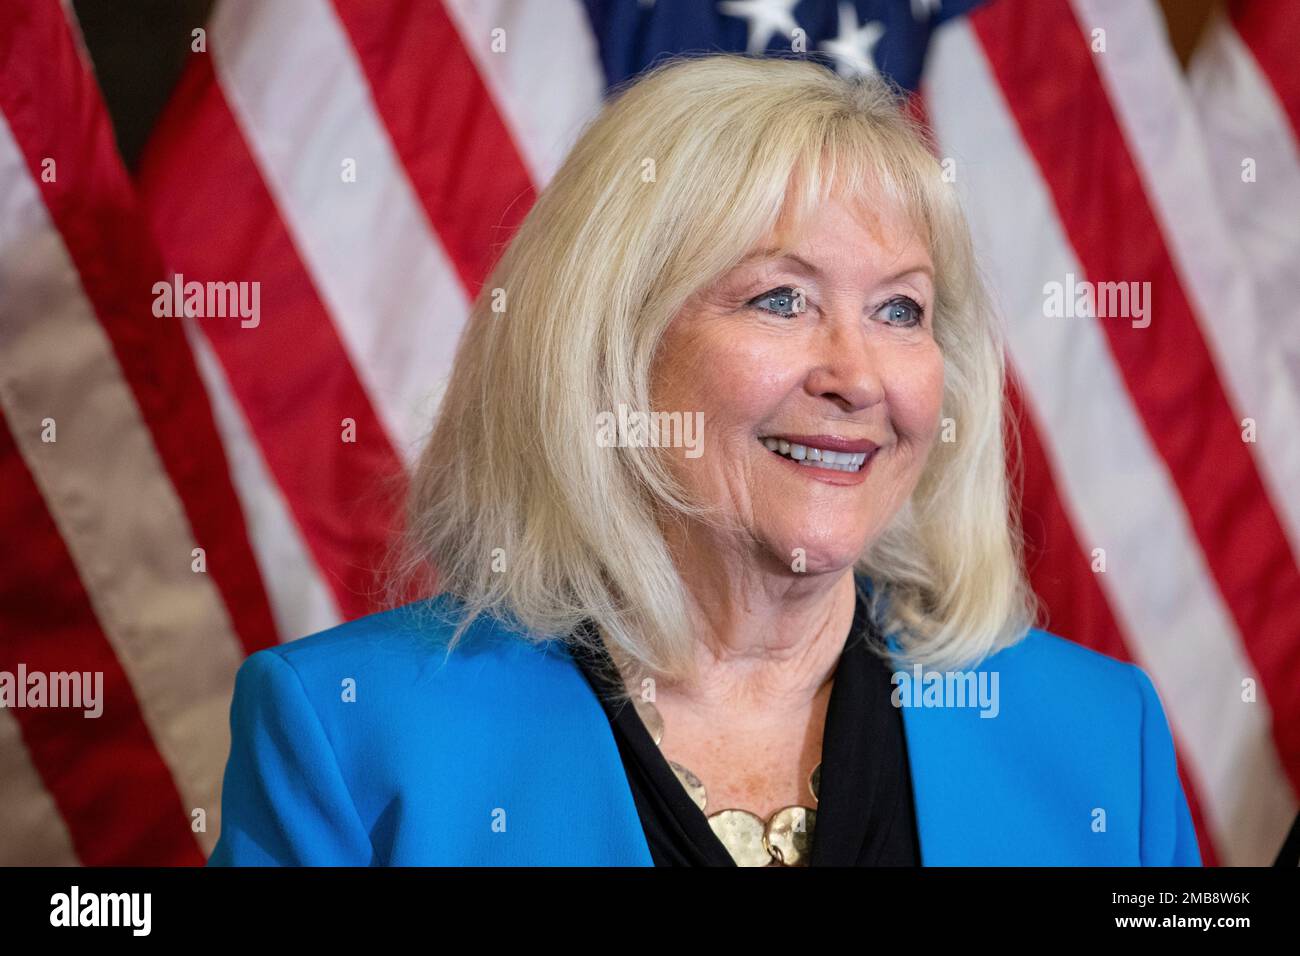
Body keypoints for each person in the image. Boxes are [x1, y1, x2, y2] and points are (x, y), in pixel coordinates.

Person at [208, 53, 1201, 867]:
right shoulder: (351, 736)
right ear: (609, 348)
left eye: (899, 308)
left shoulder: (1103, 737)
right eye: (781, 299)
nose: (856, 374)